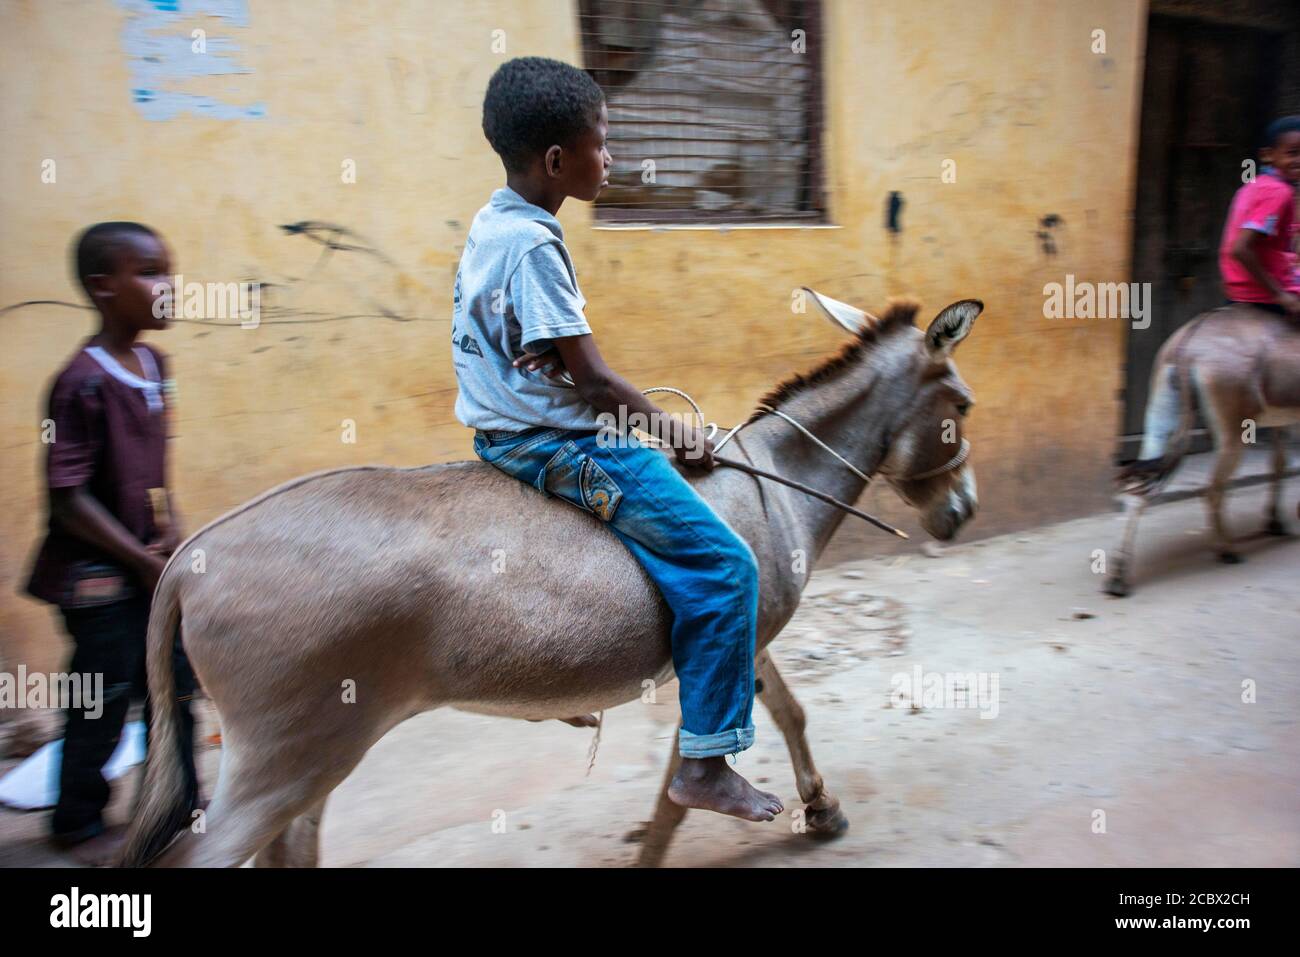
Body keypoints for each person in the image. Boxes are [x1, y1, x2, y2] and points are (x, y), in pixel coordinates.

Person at [450, 57, 782, 822]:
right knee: (726, 564)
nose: (612, 157)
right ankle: (706, 763)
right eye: (602, 142)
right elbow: (597, 386)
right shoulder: (536, 246)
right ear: (558, 160)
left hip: (498, 430)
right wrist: (679, 436)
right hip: (554, 443)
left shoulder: (494, 221)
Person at [25, 222, 200, 862]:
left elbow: (154, 474)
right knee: (99, 704)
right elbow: (66, 497)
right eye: (150, 273)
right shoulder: (80, 382)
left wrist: (171, 539)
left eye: (167, 271)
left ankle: (177, 801)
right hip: (97, 581)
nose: (168, 287)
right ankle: (77, 822)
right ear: (104, 287)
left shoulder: (156, 365)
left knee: (177, 686)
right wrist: (139, 561)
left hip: (149, 565)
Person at [1220, 115, 1300, 319]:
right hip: (1261, 292)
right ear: (1268, 155)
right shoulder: (1278, 192)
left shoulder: (1257, 184)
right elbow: (1240, 248)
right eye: (1292, 153)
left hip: (1236, 286)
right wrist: (1280, 295)